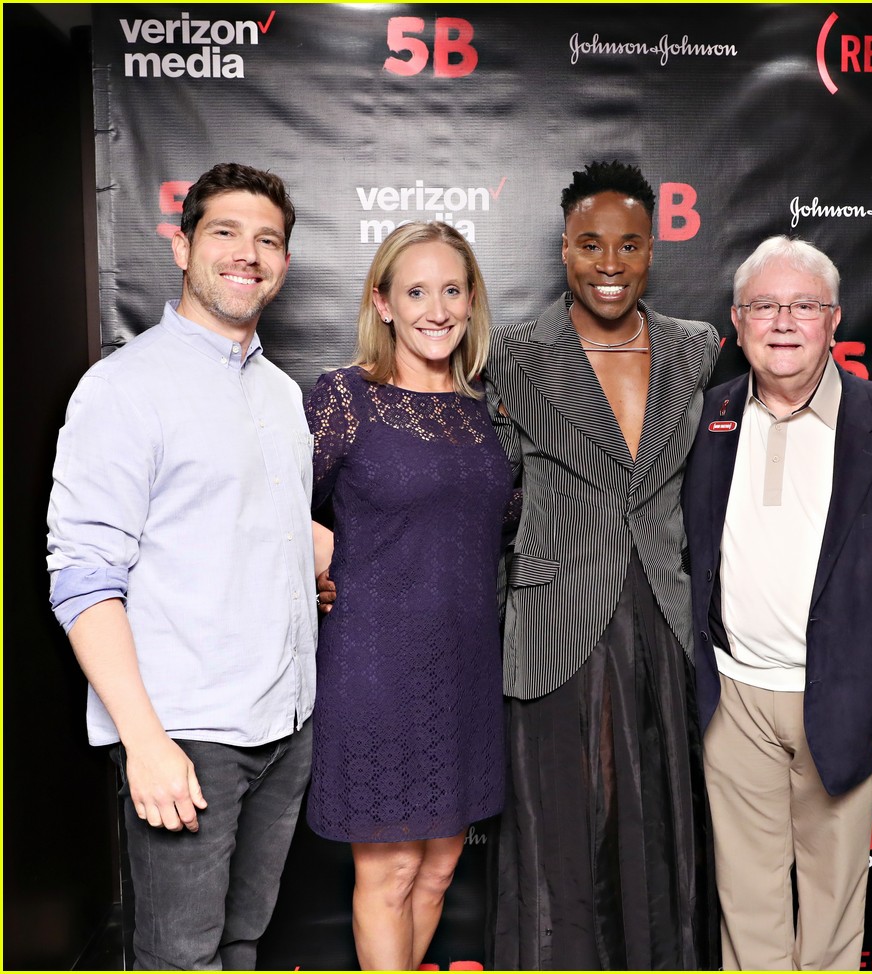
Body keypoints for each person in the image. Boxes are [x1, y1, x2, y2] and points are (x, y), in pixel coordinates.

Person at [46, 163, 314, 970]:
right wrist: (145, 741)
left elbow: (247, 523)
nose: (248, 254)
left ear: (285, 262)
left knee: (241, 943)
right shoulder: (124, 388)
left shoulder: (281, 394)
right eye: (225, 232)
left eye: (267, 240)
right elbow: (83, 576)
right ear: (182, 246)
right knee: (179, 957)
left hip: (286, 726)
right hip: (186, 736)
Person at [484, 160, 720, 970]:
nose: (610, 263)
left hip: (663, 618)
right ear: (564, 249)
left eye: (629, 244)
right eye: (590, 244)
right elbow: (485, 492)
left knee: (662, 834)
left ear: (653, 249)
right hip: (556, 622)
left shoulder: (696, 349)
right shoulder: (513, 355)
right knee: (558, 843)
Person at [683, 236, 872, 970]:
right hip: (733, 697)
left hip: (847, 701)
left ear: (835, 320)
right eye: (764, 305)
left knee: (833, 900)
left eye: (804, 305)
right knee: (747, 898)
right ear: (737, 322)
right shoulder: (704, 420)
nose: (783, 322)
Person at [305, 222, 511, 970]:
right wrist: (319, 558)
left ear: (471, 300)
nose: (437, 309)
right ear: (383, 302)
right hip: (376, 667)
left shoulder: (487, 410)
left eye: (452, 290)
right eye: (416, 291)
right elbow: (272, 505)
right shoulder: (346, 398)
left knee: (440, 868)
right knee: (391, 871)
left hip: (466, 668)